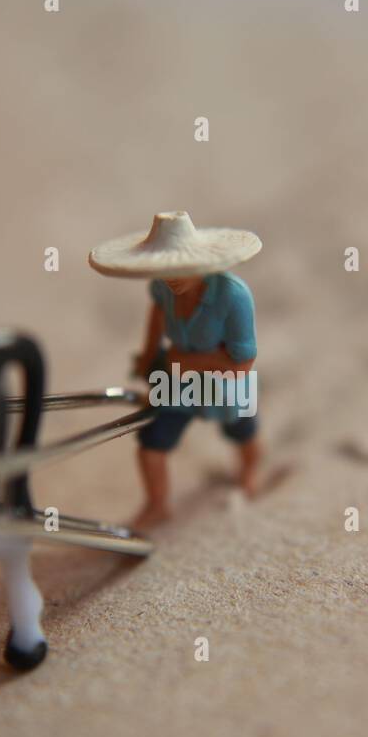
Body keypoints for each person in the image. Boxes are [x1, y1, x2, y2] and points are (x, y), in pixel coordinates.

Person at [88, 211, 263, 530]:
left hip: (225, 381)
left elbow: (243, 363)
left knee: (242, 430)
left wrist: (186, 361)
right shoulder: (162, 288)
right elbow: (157, 312)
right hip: (176, 379)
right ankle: (157, 505)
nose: (171, 276)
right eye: (164, 266)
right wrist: (150, 353)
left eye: (179, 266)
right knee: (152, 443)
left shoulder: (233, 296)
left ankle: (250, 470)